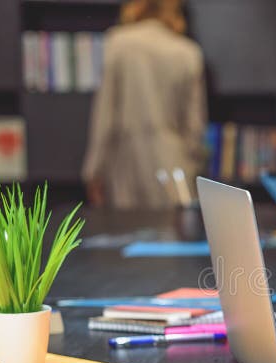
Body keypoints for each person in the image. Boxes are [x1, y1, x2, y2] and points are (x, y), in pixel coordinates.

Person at [82, 0, 206, 209]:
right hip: (173, 161)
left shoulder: (118, 44)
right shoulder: (188, 52)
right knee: (172, 234)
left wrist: (93, 171)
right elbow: (195, 126)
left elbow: (104, 117)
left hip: (126, 162)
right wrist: (193, 166)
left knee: (128, 234)